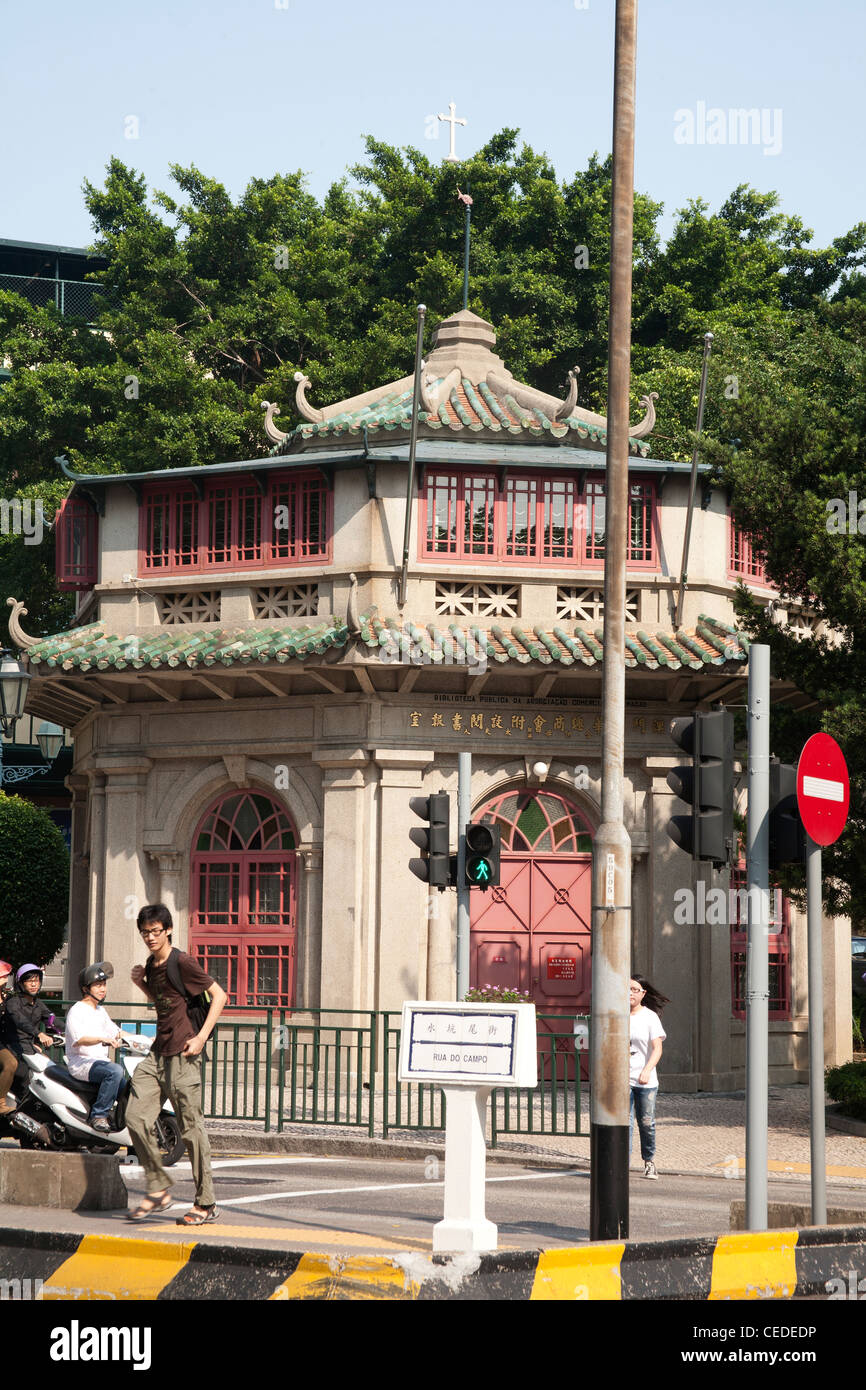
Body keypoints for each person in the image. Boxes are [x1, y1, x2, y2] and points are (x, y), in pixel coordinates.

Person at [126, 903, 226, 1225]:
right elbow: (164, 1002)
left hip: (184, 1055)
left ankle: (206, 1202)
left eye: (156, 931)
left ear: (168, 930)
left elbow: (220, 996)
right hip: (157, 1054)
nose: (151, 937)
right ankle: (159, 1188)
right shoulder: (152, 965)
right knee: (134, 1116)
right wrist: (142, 983)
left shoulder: (182, 961)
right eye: (145, 933)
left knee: (191, 1130)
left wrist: (200, 1039)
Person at [64, 963, 127, 1133]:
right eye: (98, 985)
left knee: (128, 1087)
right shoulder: (77, 1011)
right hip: (81, 1063)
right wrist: (102, 1038)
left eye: (104, 985)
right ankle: (98, 1115)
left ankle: (124, 1121)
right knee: (115, 1071)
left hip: (99, 1063)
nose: (103, 989)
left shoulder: (100, 1010)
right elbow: (79, 1040)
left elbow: (117, 1032)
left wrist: (144, 1039)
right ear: (86, 988)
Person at [629, 973, 669, 1180]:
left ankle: (649, 1161)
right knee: (622, 1124)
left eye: (635, 990)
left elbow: (657, 1048)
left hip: (645, 1080)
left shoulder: (649, 1017)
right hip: (623, 1079)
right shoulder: (617, 1015)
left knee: (646, 1122)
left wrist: (647, 1070)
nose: (630, 994)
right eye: (627, 989)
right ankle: (621, 1163)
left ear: (643, 993)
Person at [3, 964, 55, 1092]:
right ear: (21, 983)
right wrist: (39, 1034)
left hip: (30, 1048)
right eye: (30, 981)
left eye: (36, 980)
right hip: (13, 1048)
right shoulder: (13, 1002)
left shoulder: (38, 1004)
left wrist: (68, 1032)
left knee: (50, 1070)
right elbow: (20, 1021)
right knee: (28, 1076)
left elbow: (51, 1019)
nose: (34, 984)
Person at [0, 961, 18, 1116]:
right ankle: (0, 1103)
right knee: (11, 1063)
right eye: (2, 976)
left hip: (6, 1041)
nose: (5, 978)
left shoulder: (6, 996)